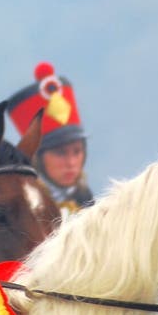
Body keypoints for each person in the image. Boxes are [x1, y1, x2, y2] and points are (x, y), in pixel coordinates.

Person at [7, 61, 94, 214]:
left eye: (77, 151)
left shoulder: (86, 200)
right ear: (37, 157)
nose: (71, 163)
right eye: (60, 153)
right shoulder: (23, 209)